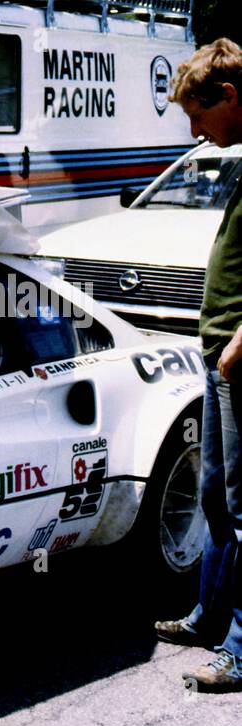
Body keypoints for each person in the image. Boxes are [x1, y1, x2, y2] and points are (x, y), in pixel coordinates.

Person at [155, 38, 242, 692]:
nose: (194, 131)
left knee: (241, 507)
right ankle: (210, 618)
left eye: (198, 114)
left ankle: (239, 647)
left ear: (230, 97)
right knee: (215, 498)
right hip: (220, 357)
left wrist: (240, 344)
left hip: (237, 360)